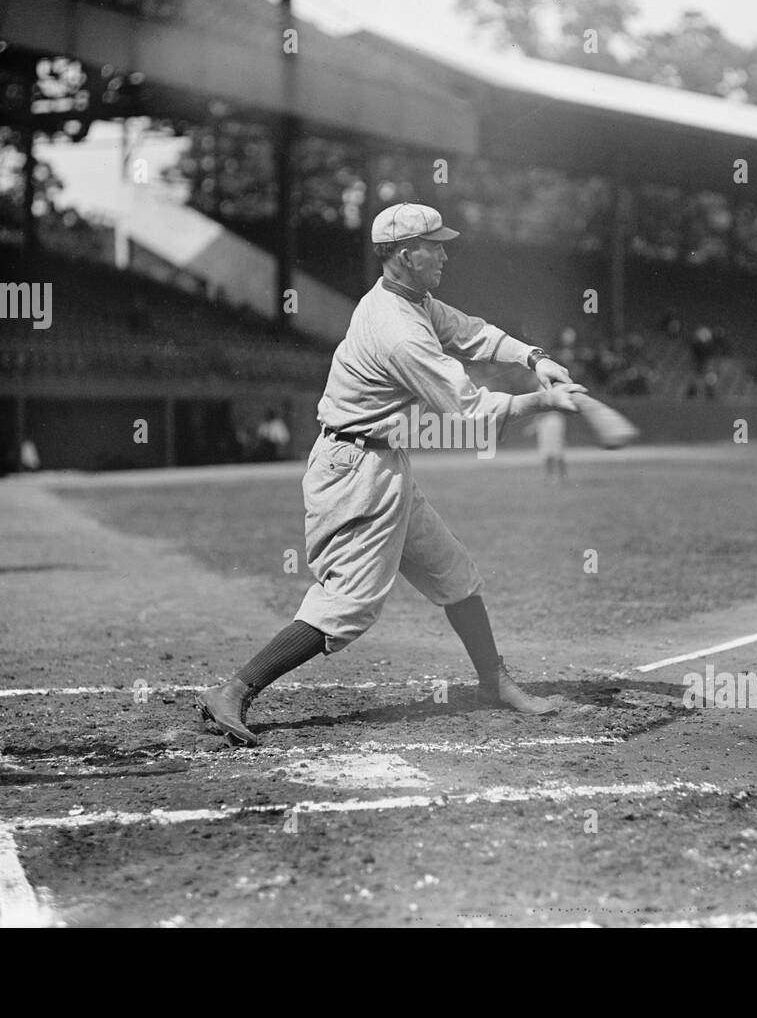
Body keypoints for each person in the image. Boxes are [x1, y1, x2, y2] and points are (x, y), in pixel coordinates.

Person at [197, 203, 585, 746]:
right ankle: (234, 690)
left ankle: (494, 682)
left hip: (384, 461)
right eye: (435, 244)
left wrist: (535, 358)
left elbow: (471, 332)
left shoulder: (412, 299)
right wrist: (543, 402)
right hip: (354, 471)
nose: (446, 253)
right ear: (406, 254)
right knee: (349, 605)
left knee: (454, 573)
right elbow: (468, 411)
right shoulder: (398, 329)